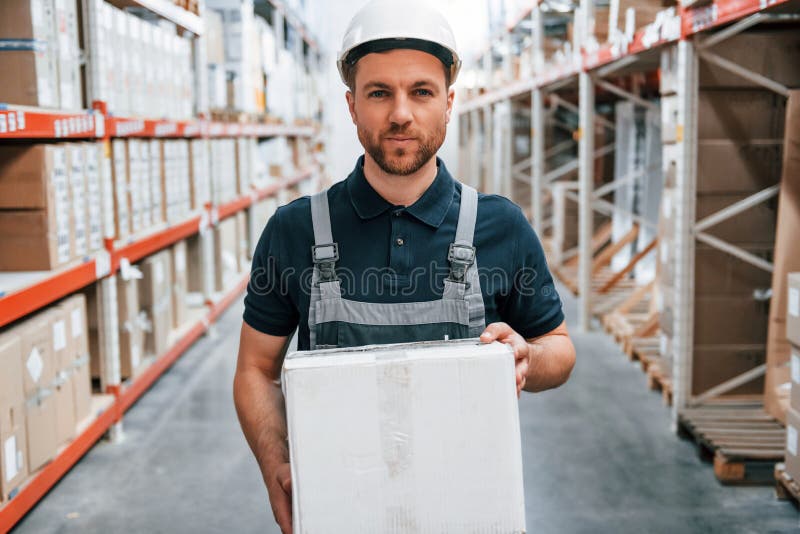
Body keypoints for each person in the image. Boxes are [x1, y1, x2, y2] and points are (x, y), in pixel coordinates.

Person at [233, 1, 576, 531]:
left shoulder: (501, 226)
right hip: (341, 509)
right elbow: (255, 370)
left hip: (469, 508)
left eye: (421, 91)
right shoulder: (294, 231)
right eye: (379, 93)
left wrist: (528, 356)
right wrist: (275, 465)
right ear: (351, 105)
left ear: (448, 103)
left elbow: (560, 349)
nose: (400, 114)